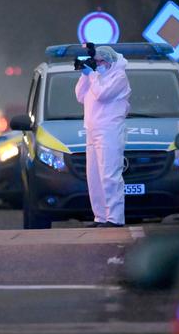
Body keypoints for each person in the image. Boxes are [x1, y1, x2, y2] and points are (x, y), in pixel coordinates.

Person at [75, 46, 131, 227]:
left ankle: (115, 218)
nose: (97, 64)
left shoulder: (119, 77)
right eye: (96, 61)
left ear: (110, 61)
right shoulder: (96, 77)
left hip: (110, 130)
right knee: (94, 177)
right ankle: (100, 216)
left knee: (109, 175)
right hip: (92, 130)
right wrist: (85, 74)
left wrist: (91, 75)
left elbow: (102, 95)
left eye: (100, 61)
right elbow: (80, 96)